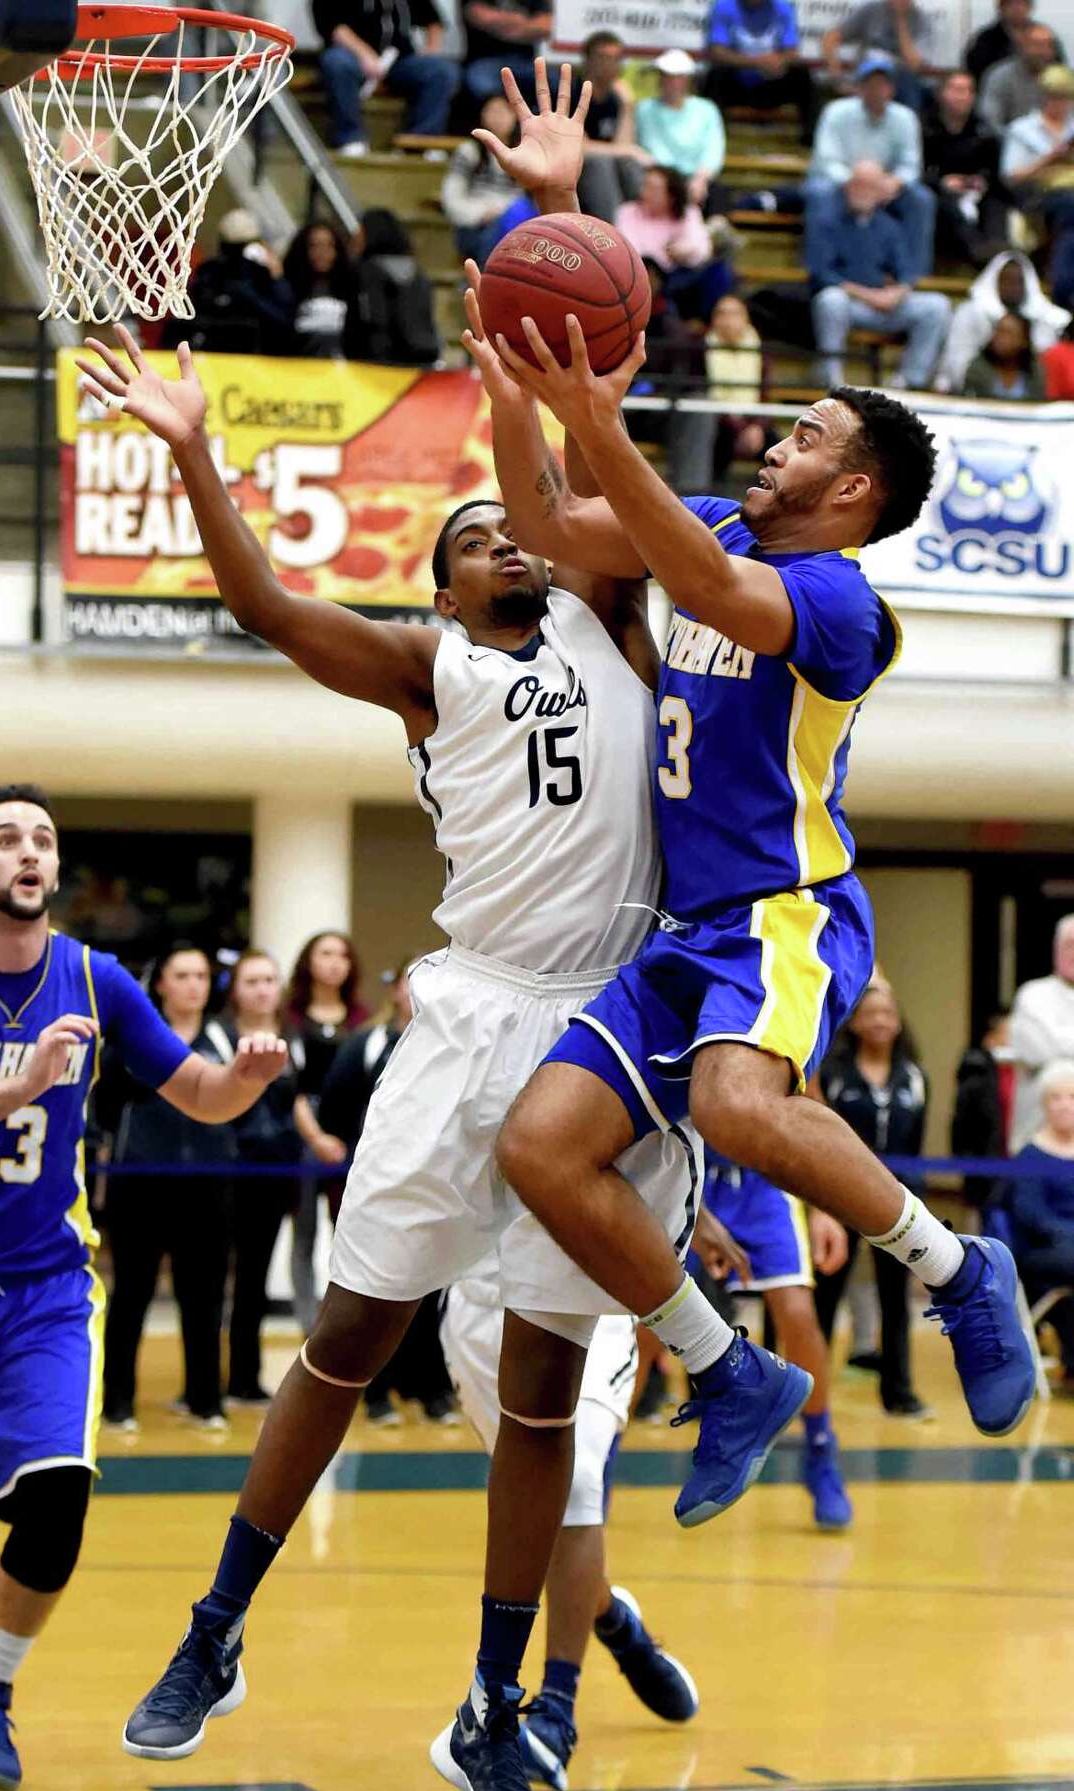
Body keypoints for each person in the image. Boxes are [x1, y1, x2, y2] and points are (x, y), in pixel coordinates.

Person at [80, 85, 719, 1791]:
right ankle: (214, 1628)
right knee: (350, 1335)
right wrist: (204, 450)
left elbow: (565, 427)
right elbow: (271, 609)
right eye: (470, 540)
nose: (503, 540)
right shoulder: (425, 672)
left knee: (536, 1394)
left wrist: (558, 205)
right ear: (437, 589)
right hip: (471, 1017)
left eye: (514, 529)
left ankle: (502, 1700)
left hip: (602, 1043)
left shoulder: (616, 617)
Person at [469, 62, 1034, 1540]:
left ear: (852, 493)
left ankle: (953, 1268)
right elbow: (539, 523)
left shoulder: (844, 604)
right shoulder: (712, 518)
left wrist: (590, 409)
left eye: (804, 439)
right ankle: (730, 1370)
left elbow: (709, 583)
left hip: (784, 913)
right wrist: (542, 269)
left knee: (736, 1099)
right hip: (683, 925)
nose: (773, 445)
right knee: (537, 1150)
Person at [0, 785, 285, 1791]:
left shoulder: (98, 981)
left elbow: (194, 1088)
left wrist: (248, 1083)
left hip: (45, 1290)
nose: (29, 852)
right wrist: (19, 1085)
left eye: (44, 840)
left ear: (55, 873)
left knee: (58, 1499)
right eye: (6, 838)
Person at [441, 1263, 702, 1790]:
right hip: (480, 1304)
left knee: (577, 1479)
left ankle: (556, 1712)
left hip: (593, 1303)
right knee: (542, 1507)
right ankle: (615, 1622)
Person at [99, 943, 240, 1433]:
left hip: (208, 1187)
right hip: (139, 1184)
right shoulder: (134, 1038)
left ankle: (206, 1401)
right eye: (182, 975)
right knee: (131, 1294)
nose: (193, 985)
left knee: (204, 1297)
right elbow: (105, 1105)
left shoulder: (225, 1038)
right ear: (161, 984)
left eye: (201, 975)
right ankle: (117, 1403)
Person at [316, 961, 457, 1424]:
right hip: (374, 1186)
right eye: (411, 980)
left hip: (439, 1185)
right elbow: (334, 1106)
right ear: (395, 989)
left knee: (431, 1292)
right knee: (369, 1293)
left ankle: (432, 1391)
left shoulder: (456, 1044)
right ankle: (375, 1394)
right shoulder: (366, 1044)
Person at [694, 1160, 851, 1527]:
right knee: (647, 1327)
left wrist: (822, 1208)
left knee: (797, 1313)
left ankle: (820, 1447)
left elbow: (809, 1113)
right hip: (693, 1173)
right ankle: (602, 1459)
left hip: (763, 1181)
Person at [813, 983, 931, 1417]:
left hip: (896, 1201)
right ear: (856, 1022)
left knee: (895, 1297)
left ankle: (899, 1393)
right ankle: (812, 1391)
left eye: (888, 1013)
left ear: (898, 1022)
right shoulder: (834, 1075)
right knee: (825, 1295)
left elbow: (916, 1148)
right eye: (872, 1013)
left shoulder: (914, 1078)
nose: (880, 1020)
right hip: (840, 1196)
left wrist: (919, 1205)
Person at [225, 950, 302, 1407]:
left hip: (277, 1173)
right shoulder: (221, 1036)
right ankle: (204, 1383)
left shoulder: (293, 1038)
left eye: (269, 980)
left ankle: (245, 1378)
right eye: (252, 980)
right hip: (229, 1170)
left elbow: (298, 1104)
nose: (261, 989)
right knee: (218, 1281)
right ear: (236, 989)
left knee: (254, 1278)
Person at [283, 930, 368, 1336]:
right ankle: (306, 1325)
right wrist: (315, 1137)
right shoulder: (291, 1018)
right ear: (309, 961)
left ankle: (344, 1325)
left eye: (343, 955)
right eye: (326, 953)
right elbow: (292, 1088)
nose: (335, 962)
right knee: (304, 1235)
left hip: (353, 1134)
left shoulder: (362, 1019)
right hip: (303, 1132)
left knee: (350, 1231)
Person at [807, 163, 951, 388]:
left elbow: (906, 271)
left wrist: (897, 293)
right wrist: (868, 295)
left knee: (937, 305)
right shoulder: (827, 223)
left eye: (870, 186)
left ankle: (909, 381)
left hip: (884, 305)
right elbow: (822, 274)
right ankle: (831, 378)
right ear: (847, 187)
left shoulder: (889, 227)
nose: (862, 192)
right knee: (830, 300)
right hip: (851, 304)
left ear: (880, 191)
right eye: (858, 185)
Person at [807, 53, 936, 281]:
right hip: (841, 183)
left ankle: (912, 276)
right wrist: (858, 182)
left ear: (892, 89)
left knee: (921, 199)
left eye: (883, 84)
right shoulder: (836, 112)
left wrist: (893, 182)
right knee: (820, 193)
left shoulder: (905, 118)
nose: (877, 89)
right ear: (859, 88)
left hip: (884, 186)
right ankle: (820, 271)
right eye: (870, 83)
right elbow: (825, 161)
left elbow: (911, 166)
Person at [311, 0, 458, 156]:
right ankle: (350, 138)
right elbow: (333, 25)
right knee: (336, 62)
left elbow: (433, 20)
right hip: (352, 55)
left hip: (398, 60)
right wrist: (364, 54)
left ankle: (419, 142)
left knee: (441, 70)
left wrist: (431, 50)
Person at [1007, 1058, 1074, 1382]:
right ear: (1044, 1104)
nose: (1064, 1105)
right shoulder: (1029, 1155)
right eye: (1056, 1097)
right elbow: (1031, 1215)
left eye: (1072, 1097)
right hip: (1042, 1253)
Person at [164, 208, 295, 355]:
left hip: (255, 356)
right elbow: (186, 316)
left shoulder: (263, 274)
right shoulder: (210, 272)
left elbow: (283, 322)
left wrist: (275, 279)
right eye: (232, 248)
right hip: (211, 353)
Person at [933, 249, 1068, 391]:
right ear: (994, 281)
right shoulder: (970, 313)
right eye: (1006, 281)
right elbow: (957, 362)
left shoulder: (1047, 317)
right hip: (974, 387)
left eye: (1018, 281)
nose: (1012, 287)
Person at [615, 165, 734, 320]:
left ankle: (704, 322)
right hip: (644, 277)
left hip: (679, 276)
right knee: (647, 268)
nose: (645, 192)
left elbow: (702, 249)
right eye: (645, 185)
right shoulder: (628, 211)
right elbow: (628, 250)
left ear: (671, 195)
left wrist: (681, 250)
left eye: (653, 188)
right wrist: (663, 254)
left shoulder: (688, 212)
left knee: (719, 269)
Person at [1000, 65, 1074, 306]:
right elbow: (1012, 176)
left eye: (1065, 97)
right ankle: (1063, 290)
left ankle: (1063, 287)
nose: (1060, 103)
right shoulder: (1023, 129)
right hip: (1039, 195)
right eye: (1054, 96)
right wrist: (1050, 158)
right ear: (1043, 97)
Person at [922, 69, 1010, 265]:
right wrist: (942, 182)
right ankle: (977, 249)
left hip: (975, 192)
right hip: (938, 191)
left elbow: (994, 174)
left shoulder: (984, 131)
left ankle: (1000, 252)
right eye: (957, 90)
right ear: (941, 93)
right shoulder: (925, 127)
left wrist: (981, 180)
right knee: (943, 202)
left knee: (996, 202)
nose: (963, 96)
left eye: (968, 91)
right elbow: (917, 170)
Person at [703, 0, 816, 141]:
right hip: (737, 85)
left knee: (802, 74)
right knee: (715, 75)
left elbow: (792, 52)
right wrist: (756, 62)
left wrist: (778, 61)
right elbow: (716, 51)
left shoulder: (783, 7)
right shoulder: (723, 6)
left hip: (772, 83)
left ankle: (810, 139)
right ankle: (713, 138)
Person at [442, 93, 531, 266]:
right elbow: (451, 198)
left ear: (515, 117)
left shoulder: (523, 152)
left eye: (504, 112)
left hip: (514, 222)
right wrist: (481, 214)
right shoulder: (469, 151)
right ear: (482, 115)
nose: (498, 118)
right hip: (475, 225)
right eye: (492, 111)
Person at [345, 208, 441, 367]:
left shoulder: (367, 270)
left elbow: (371, 317)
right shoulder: (418, 271)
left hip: (379, 365)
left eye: (360, 230)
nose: (355, 237)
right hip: (424, 357)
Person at [1010, 912, 1074, 1149]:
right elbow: (1040, 1053)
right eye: (1069, 945)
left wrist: (1059, 1038)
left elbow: (1055, 1050)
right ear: (1056, 949)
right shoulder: (1033, 995)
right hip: (1035, 1138)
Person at [634, 49, 727, 208]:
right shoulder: (644, 109)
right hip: (660, 178)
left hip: (698, 178)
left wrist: (701, 178)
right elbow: (649, 145)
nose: (672, 82)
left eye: (678, 76)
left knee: (720, 193)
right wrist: (668, 179)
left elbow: (714, 149)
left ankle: (715, 227)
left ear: (687, 79)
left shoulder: (707, 109)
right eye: (667, 75)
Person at [576, 32, 647, 224]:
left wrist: (627, 106)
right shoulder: (573, 92)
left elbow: (623, 147)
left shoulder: (615, 98)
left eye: (616, 59)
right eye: (603, 57)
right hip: (574, 170)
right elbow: (577, 146)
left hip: (609, 170)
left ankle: (645, 228)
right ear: (588, 60)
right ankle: (616, 232)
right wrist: (626, 150)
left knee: (629, 162)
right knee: (600, 162)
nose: (610, 64)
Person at [703, 291, 773, 481]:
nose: (727, 320)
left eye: (734, 314)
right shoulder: (700, 349)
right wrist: (741, 429)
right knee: (716, 438)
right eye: (721, 314)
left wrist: (757, 427)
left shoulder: (759, 350)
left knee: (778, 449)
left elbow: (766, 397)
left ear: (746, 319)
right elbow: (705, 397)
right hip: (720, 422)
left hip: (752, 422)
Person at [951, 1011, 1013, 1212]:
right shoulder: (976, 1074)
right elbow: (962, 1122)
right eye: (1008, 1033)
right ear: (991, 1039)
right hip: (985, 1164)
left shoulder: (1031, 1075)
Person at [821, 0, 932, 109]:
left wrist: (900, 22)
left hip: (900, 78)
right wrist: (837, 77)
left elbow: (914, 64)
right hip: (868, 71)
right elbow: (830, 39)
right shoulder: (871, 10)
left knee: (911, 89)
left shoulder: (920, 20)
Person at [280, 221, 359, 360]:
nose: (322, 253)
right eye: (314, 246)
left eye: (329, 246)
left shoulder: (352, 287)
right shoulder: (288, 288)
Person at [463, 0, 556, 107]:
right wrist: (525, 24)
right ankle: (503, 118)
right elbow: (479, 15)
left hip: (528, 61)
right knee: (481, 78)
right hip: (487, 60)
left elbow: (548, 25)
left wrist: (506, 24)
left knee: (560, 79)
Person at [979, 20, 1060, 131]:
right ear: (1022, 47)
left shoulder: (1062, 79)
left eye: (1049, 45)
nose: (1044, 51)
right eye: (1038, 45)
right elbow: (991, 121)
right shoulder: (1000, 76)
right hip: (1009, 143)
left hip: (1056, 143)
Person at [966, 0, 1064, 89]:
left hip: (1041, 93)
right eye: (1013, 4)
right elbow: (974, 72)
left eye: (1023, 4)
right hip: (997, 91)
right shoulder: (987, 38)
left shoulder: (1044, 34)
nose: (1018, 9)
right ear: (1001, 7)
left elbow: (1059, 67)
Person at [961, 309, 1046, 395]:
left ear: (1024, 341)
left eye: (1007, 333)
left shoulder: (1034, 372)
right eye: (998, 331)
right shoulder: (977, 369)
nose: (1000, 338)